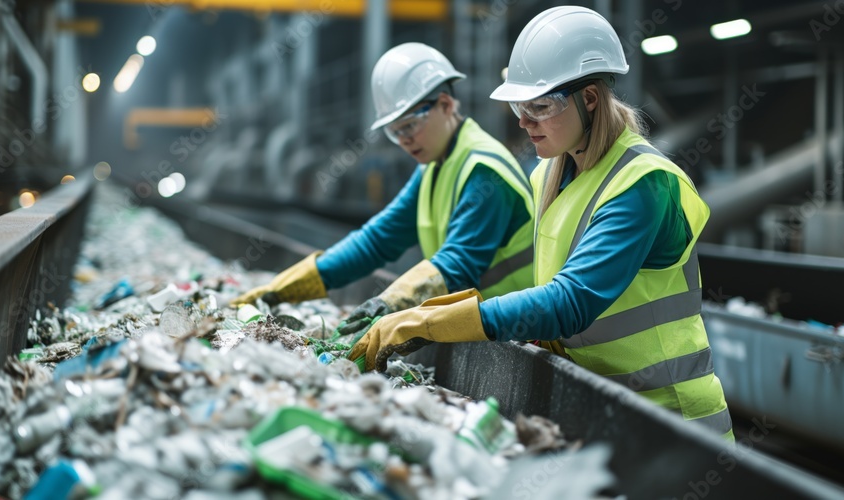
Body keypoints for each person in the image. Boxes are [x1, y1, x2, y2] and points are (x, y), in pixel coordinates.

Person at [347, 6, 733, 439]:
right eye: (518, 105)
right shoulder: (547, 174)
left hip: (671, 422)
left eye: (539, 106)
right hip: (601, 409)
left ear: (590, 99)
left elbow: (569, 302)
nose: (522, 121)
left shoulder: (644, 184)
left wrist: (430, 321)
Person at [232, 43, 535, 338]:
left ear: (445, 105)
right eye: (395, 131)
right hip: (478, 325)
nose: (404, 140)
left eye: (410, 126)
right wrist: (281, 289)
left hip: (519, 331)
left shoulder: (484, 171)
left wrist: (386, 304)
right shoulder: (435, 166)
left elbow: (457, 265)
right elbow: (375, 241)